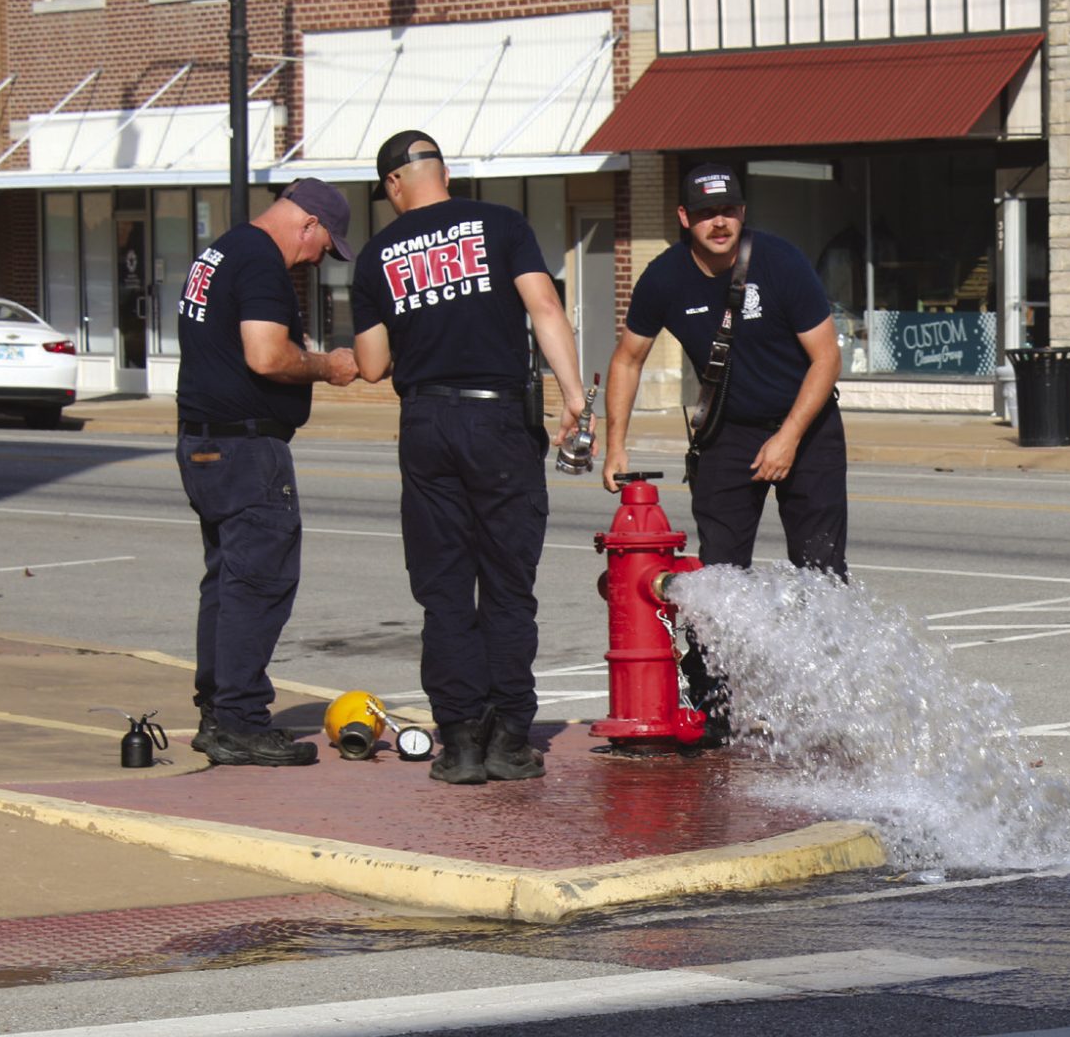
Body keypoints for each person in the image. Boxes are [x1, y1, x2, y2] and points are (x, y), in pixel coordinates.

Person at [350, 130, 587, 786]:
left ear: (395, 183)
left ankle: (458, 742)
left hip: (426, 419)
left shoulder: (375, 257)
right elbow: (544, 306)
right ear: (442, 172)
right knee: (508, 585)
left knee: (446, 590)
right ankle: (511, 739)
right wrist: (574, 399)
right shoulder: (501, 224)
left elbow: (372, 365)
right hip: (500, 416)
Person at [600, 163, 847, 738]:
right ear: (685, 218)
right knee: (720, 578)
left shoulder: (780, 262)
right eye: (707, 213)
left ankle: (831, 705)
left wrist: (787, 437)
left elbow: (826, 357)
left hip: (806, 428)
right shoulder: (663, 278)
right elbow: (627, 359)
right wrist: (615, 444)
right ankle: (716, 704)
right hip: (727, 433)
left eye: (729, 211)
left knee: (821, 569)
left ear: (742, 212)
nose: (720, 222)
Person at [176, 180, 359, 767]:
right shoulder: (260, 261)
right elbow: (265, 354)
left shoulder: (222, 250)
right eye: (322, 246)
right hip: (245, 450)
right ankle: (239, 720)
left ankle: (217, 711)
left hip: (207, 443)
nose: (316, 258)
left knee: (227, 581)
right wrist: (327, 366)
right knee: (259, 584)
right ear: (308, 224)